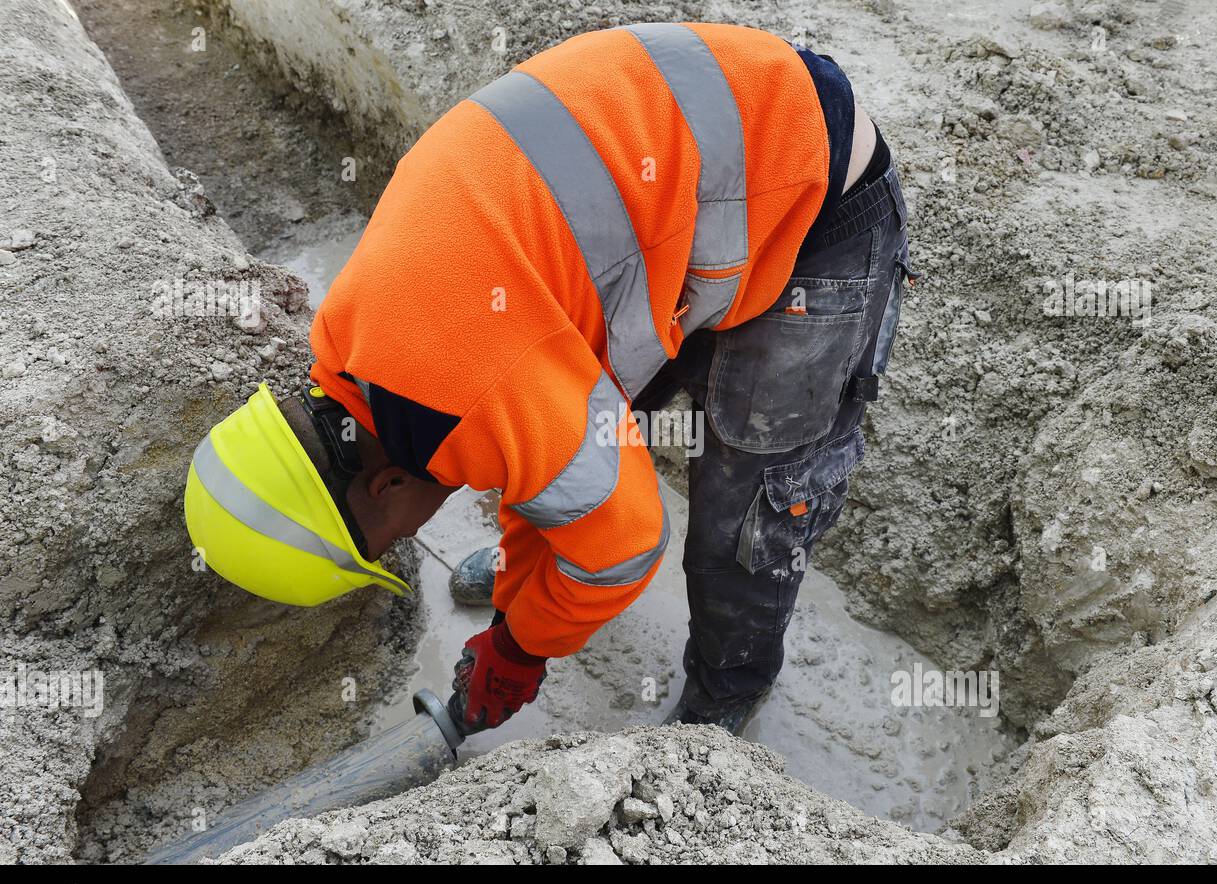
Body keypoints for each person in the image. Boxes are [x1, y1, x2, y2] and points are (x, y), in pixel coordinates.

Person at [183, 22, 915, 737]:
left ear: (384, 488)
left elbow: (624, 540)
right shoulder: (352, 336)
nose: (408, 538)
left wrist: (522, 647)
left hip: (812, 191)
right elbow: (538, 452)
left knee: (751, 500)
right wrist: (519, 604)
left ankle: (727, 694)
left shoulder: (474, 377)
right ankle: (527, 583)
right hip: (687, 163)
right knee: (570, 460)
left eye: (386, 543)